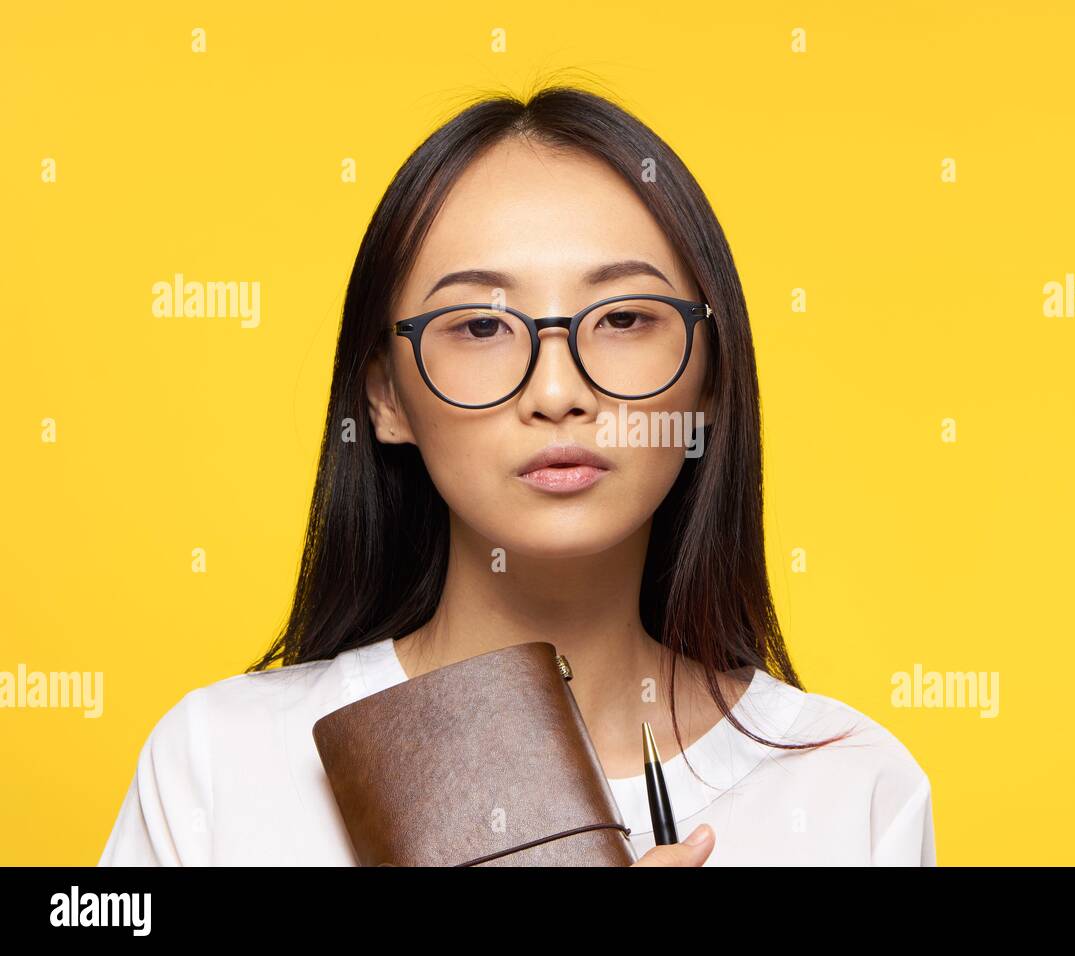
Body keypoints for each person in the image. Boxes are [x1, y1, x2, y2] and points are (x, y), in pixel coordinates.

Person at [97, 83, 936, 867]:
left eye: (624, 318)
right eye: (481, 327)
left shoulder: (852, 790)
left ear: (711, 381)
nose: (558, 391)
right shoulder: (219, 765)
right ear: (385, 397)